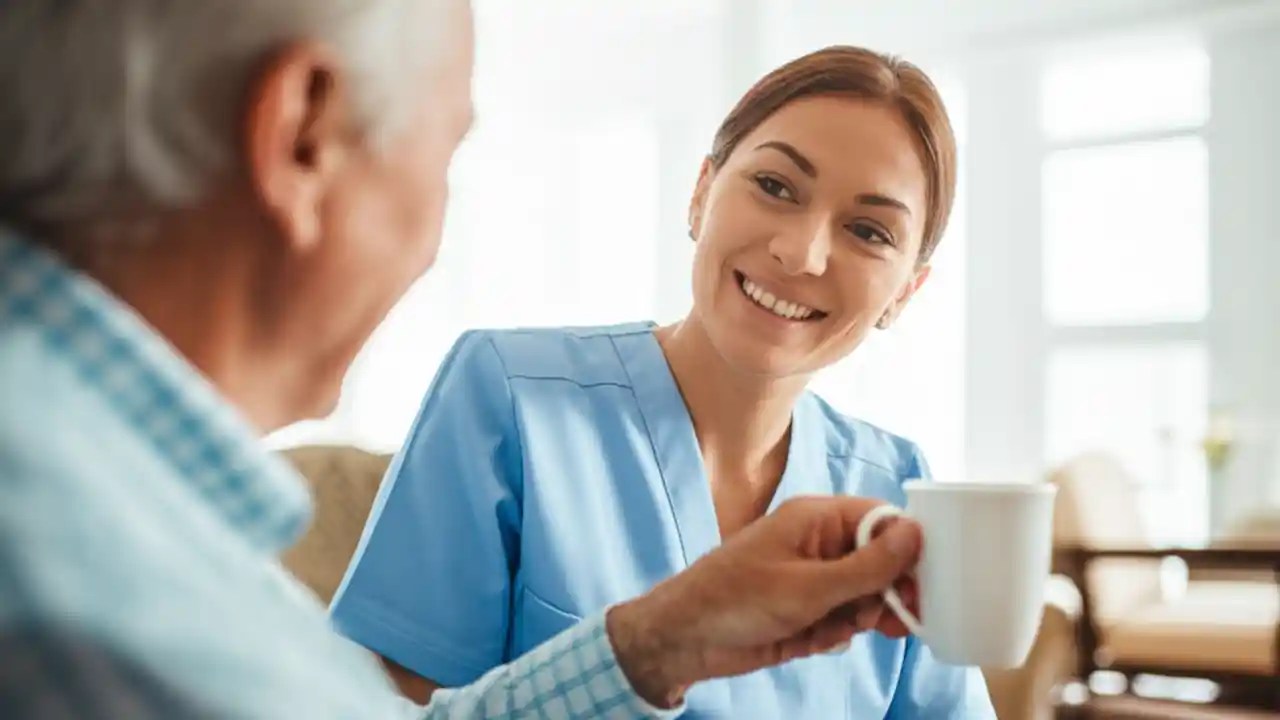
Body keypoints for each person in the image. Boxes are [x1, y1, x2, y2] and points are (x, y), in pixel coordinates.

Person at [0, 1, 931, 718]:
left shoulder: (141, 528)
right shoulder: (102, 600)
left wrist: (655, 647)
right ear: (301, 137)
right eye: (448, 149)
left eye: (867, 232)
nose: (804, 254)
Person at [330, 45, 996, 718]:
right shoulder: (508, 398)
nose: (802, 253)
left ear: (905, 292)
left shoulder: (897, 490)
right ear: (702, 192)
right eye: (775, 187)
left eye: (868, 230)